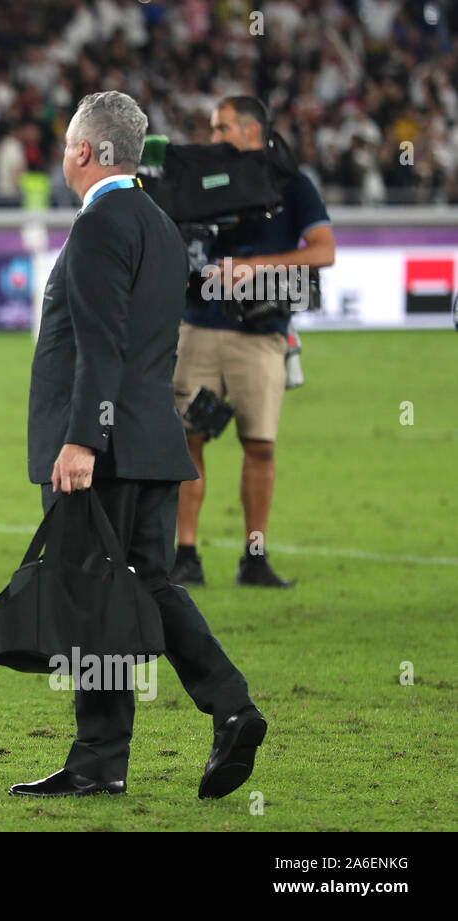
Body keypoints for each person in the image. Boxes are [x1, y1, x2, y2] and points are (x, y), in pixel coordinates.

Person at [12, 91, 266, 799]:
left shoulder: (98, 229)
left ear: (88, 152)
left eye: (66, 144)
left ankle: (100, 755)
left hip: (108, 447)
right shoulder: (158, 221)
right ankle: (231, 706)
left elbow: (99, 346)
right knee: (148, 583)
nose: (63, 155)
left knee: (94, 593)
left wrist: (83, 439)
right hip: (153, 440)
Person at [170, 96, 335, 588]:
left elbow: (324, 250)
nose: (213, 137)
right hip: (197, 325)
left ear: (251, 131)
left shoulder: (291, 184)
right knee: (188, 441)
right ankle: (186, 555)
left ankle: (254, 557)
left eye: (221, 128)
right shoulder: (197, 179)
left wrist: (254, 269)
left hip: (261, 333)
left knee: (259, 445)